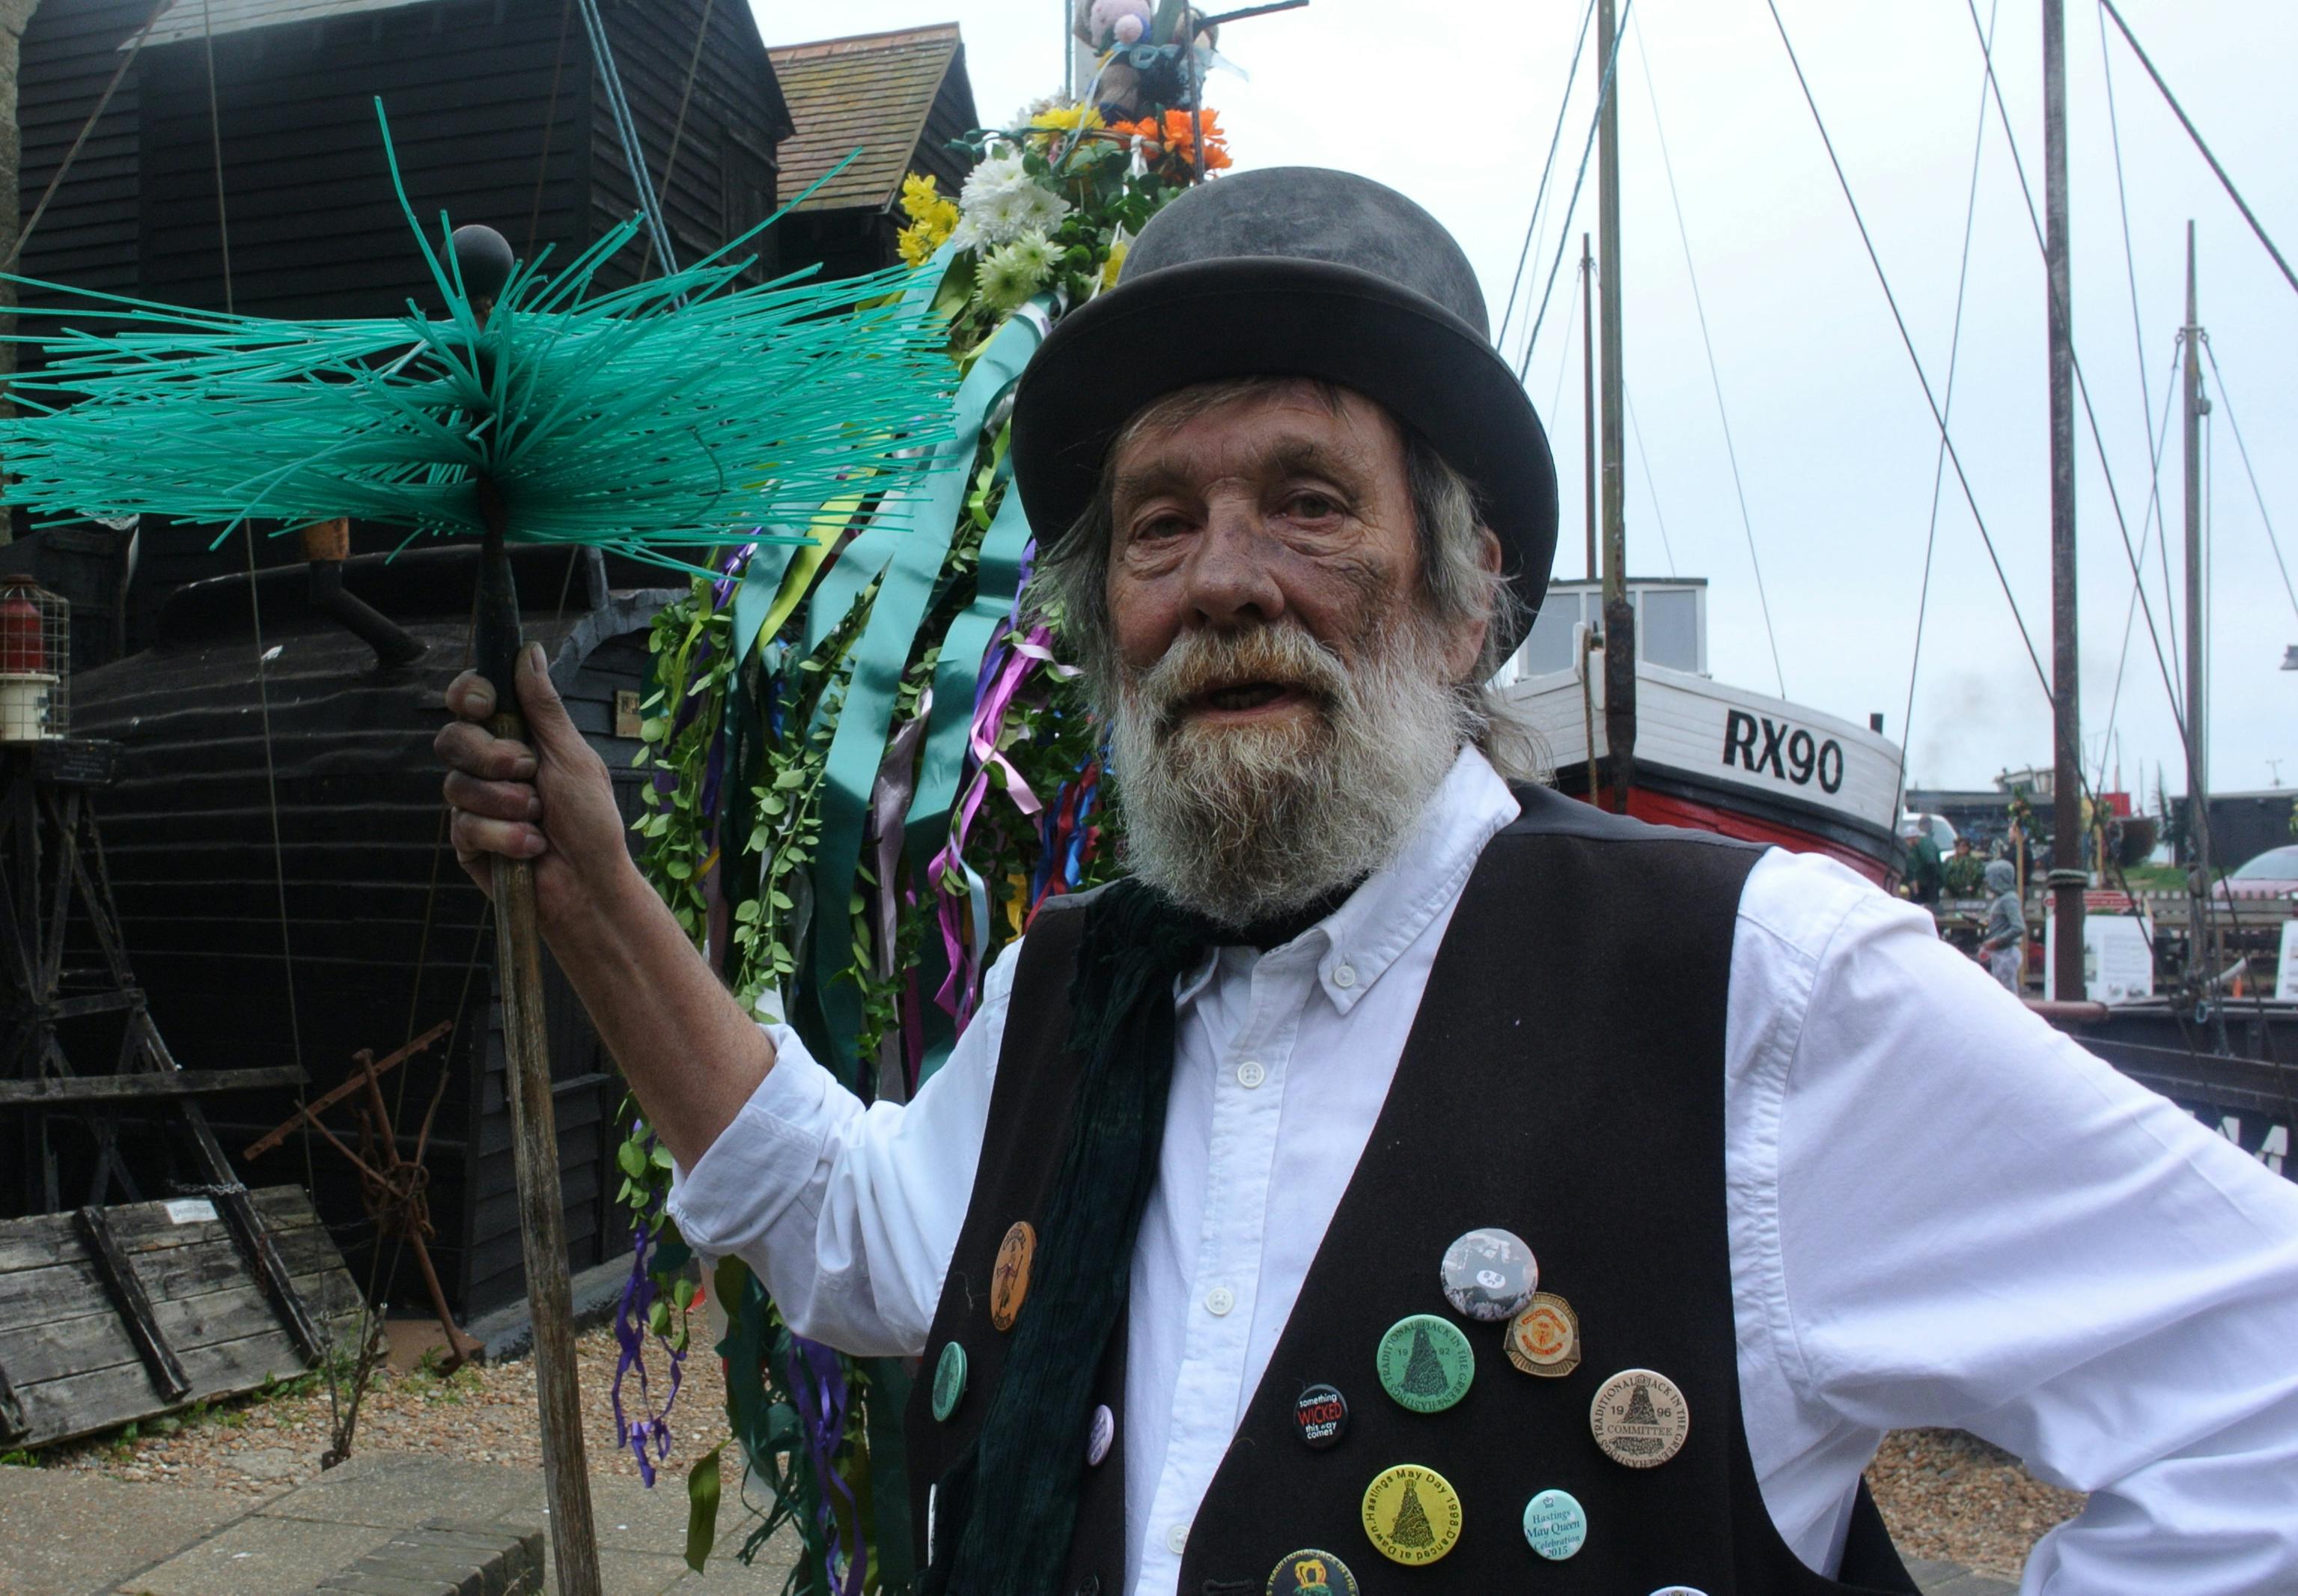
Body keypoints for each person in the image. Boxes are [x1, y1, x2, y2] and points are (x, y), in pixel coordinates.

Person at [437, 168, 2298, 1595]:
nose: (1225, 575)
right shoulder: (1071, 992)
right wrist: (593, 878)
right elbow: (853, 1230)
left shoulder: (1752, 987)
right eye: (1159, 525)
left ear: (1463, 585)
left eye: (1307, 501)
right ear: (1099, 628)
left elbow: (2261, 1380)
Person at [1977, 858, 2027, 993]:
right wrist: (1980, 921)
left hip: (2006, 952)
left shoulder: (2009, 899)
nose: (1986, 882)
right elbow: (1996, 921)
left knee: (2007, 992)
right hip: (1999, 952)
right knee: (1999, 990)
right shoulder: (2001, 899)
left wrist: (1997, 940)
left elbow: (2018, 927)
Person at [1899, 820, 1943, 906]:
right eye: (1917, 837)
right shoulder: (1908, 852)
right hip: (1911, 885)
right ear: (1913, 838)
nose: (1919, 839)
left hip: (1912, 884)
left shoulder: (1907, 850)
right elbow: (1911, 869)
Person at [1941, 833, 1985, 898]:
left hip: (1971, 893)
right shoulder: (1949, 860)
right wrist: (1952, 889)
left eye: (1964, 846)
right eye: (1958, 845)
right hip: (1951, 892)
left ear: (1968, 847)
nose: (1961, 848)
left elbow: (1980, 874)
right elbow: (1944, 875)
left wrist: (1973, 886)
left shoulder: (1975, 861)